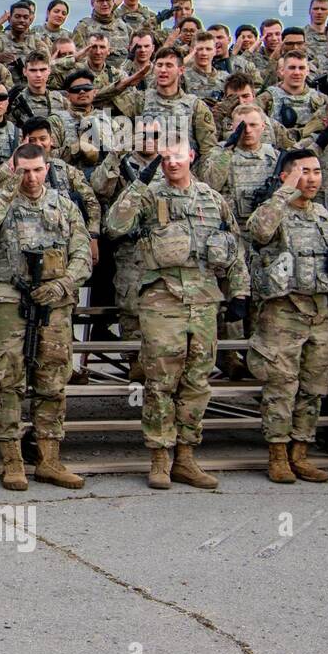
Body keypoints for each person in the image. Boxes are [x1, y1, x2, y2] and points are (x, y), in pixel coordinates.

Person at [104, 139, 249, 490]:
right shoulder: (150, 196)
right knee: (161, 383)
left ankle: (185, 458)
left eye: (178, 156)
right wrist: (139, 183)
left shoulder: (213, 200)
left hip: (203, 300)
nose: (171, 163)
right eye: (165, 157)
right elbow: (115, 225)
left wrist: (240, 291)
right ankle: (158, 458)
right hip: (161, 299)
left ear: (192, 157)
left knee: (197, 383)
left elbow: (234, 246)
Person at [0, 143, 92, 490]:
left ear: (46, 169)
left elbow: (82, 253)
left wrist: (64, 284)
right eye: (24, 170)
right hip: (8, 301)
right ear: (13, 168)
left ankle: (49, 460)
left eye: (37, 170)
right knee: (7, 381)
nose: (31, 177)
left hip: (53, 303)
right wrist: (6, 192)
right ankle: (12, 461)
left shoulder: (64, 206)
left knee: (52, 382)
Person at [244, 149, 328, 484]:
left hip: (320, 312)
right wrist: (283, 193)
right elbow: (258, 232)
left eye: (316, 171)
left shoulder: (323, 214)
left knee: (313, 386)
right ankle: (278, 455)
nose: (311, 179)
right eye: (303, 172)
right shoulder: (275, 210)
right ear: (286, 176)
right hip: (283, 311)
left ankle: (301, 452)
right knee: (281, 386)